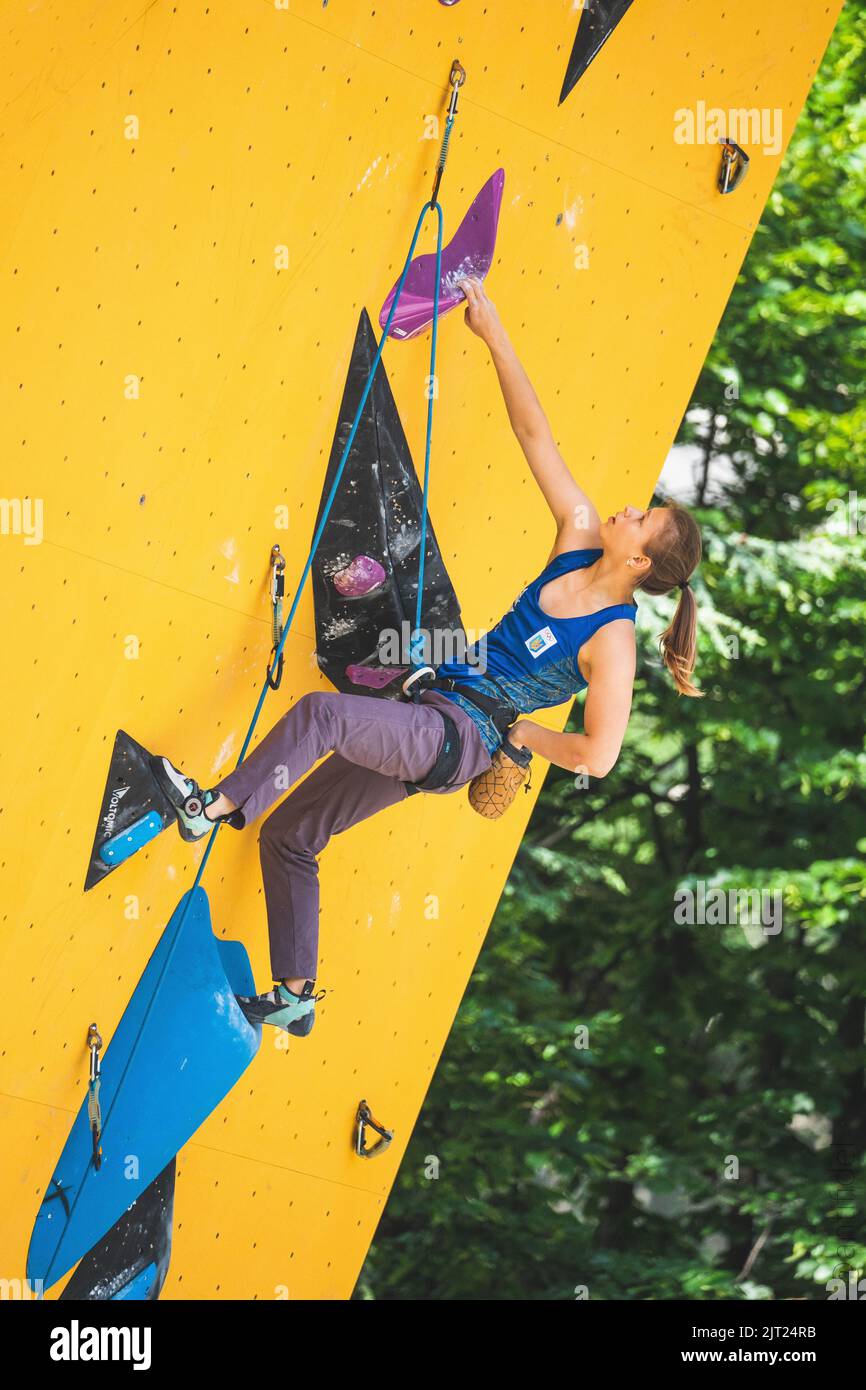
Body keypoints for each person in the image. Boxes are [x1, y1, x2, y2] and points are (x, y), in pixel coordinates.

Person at [151, 278, 703, 1037]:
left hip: (462, 740)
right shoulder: (575, 536)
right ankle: (296, 993)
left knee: (320, 716)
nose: (629, 509)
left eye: (646, 519)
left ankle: (210, 806)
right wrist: (492, 331)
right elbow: (535, 435)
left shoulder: (613, 640)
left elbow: (599, 757)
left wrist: (525, 739)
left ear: (642, 562)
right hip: (430, 709)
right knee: (293, 836)